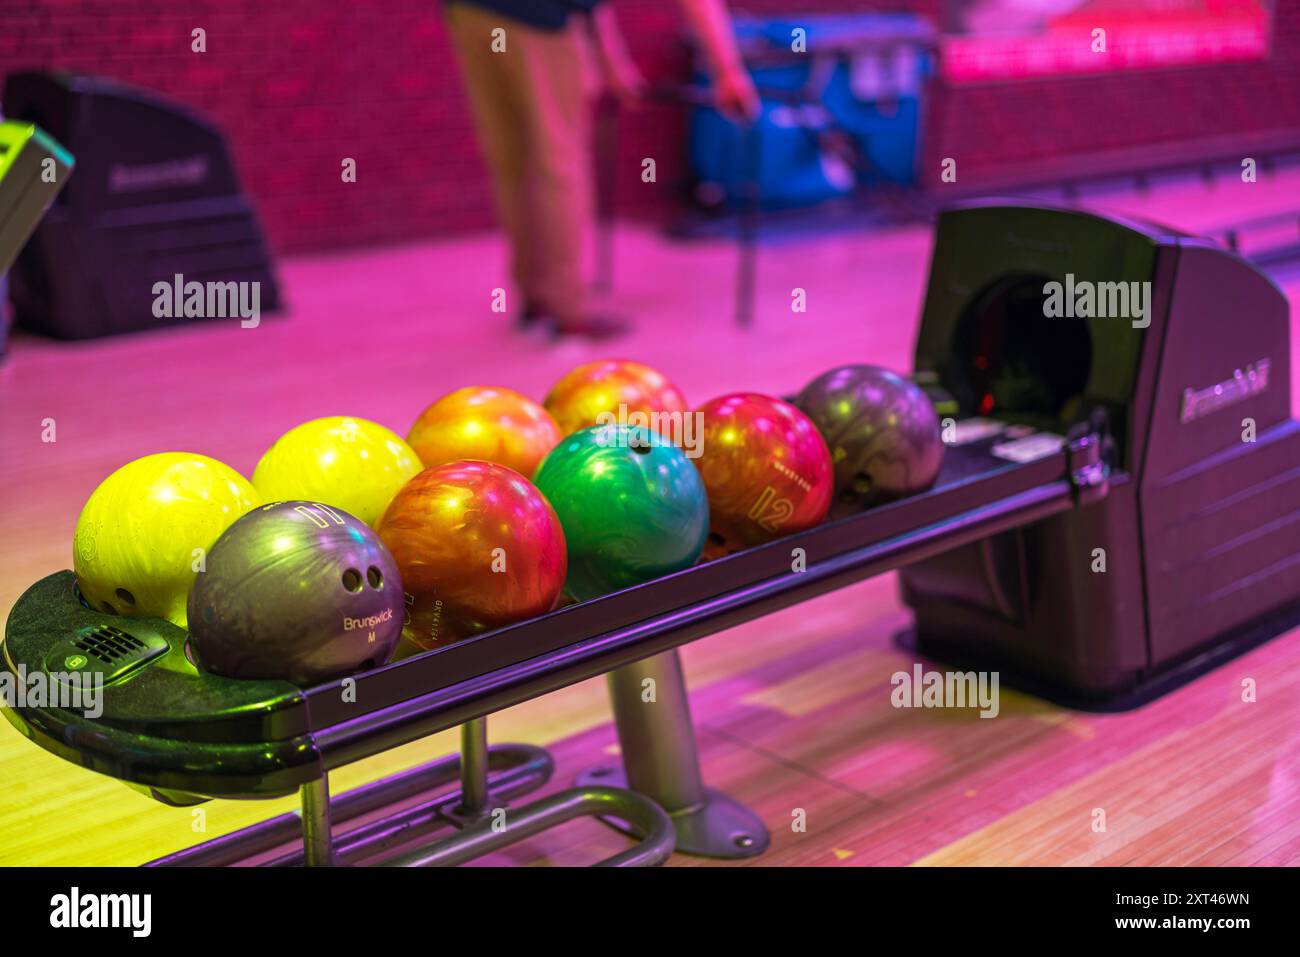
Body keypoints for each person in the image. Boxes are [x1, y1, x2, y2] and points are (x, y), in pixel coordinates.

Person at [443, 0, 759, 339]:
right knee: (559, 162)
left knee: (513, 161)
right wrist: (727, 72)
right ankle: (566, 311)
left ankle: (534, 298)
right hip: (539, 19)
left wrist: (612, 62)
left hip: (471, 12)